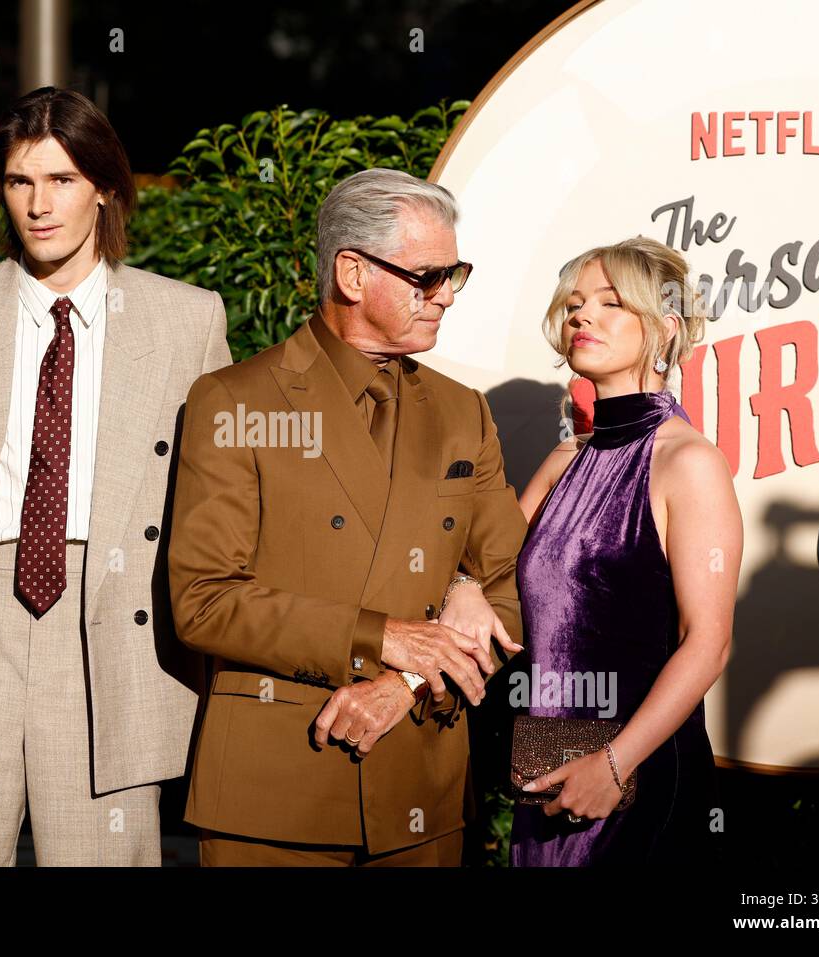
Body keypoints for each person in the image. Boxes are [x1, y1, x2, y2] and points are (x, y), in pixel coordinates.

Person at [0, 86, 231, 865]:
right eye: (20, 181)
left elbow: (214, 506)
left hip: (111, 630)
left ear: (103, 187)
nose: (39, 204)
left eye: (62, 180)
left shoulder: (187, 321)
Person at [167, 168, 529, 866]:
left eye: (455, 273)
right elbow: (204, 600)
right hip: (276, 792)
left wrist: (407, 683)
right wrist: (382, 638)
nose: (447, 295)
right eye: (428, 276)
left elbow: (517, 581)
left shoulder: (463, 413)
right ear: (353, 274)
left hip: (421, 781)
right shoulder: (233, 400)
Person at [442, 237, 739, 865]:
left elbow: (708, 643)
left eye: (611, 303)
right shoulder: (564, 459)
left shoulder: (687, 462)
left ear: (665, 327)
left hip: (639, 773)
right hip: (548, 768)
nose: (582, 315)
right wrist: (463, 588)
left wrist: (614, 765)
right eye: (575, 303)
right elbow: (491, 581)